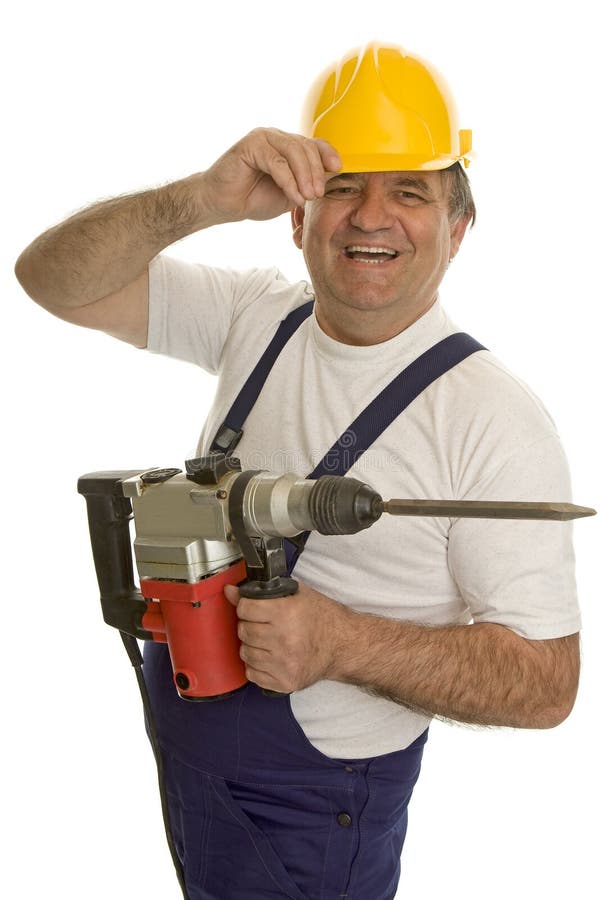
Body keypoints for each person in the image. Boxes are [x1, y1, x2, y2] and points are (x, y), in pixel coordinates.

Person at [15, 42, 581, 900]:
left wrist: (342, 642)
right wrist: (200, 198)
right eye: (344, 185)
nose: (370, 216)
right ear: (297, 215)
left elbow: (547, 685)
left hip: (317, 805)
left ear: (458, 228)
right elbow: (50, 280)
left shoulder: (493, 419)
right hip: (193, 755)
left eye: (411, 191)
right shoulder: (255, 316)